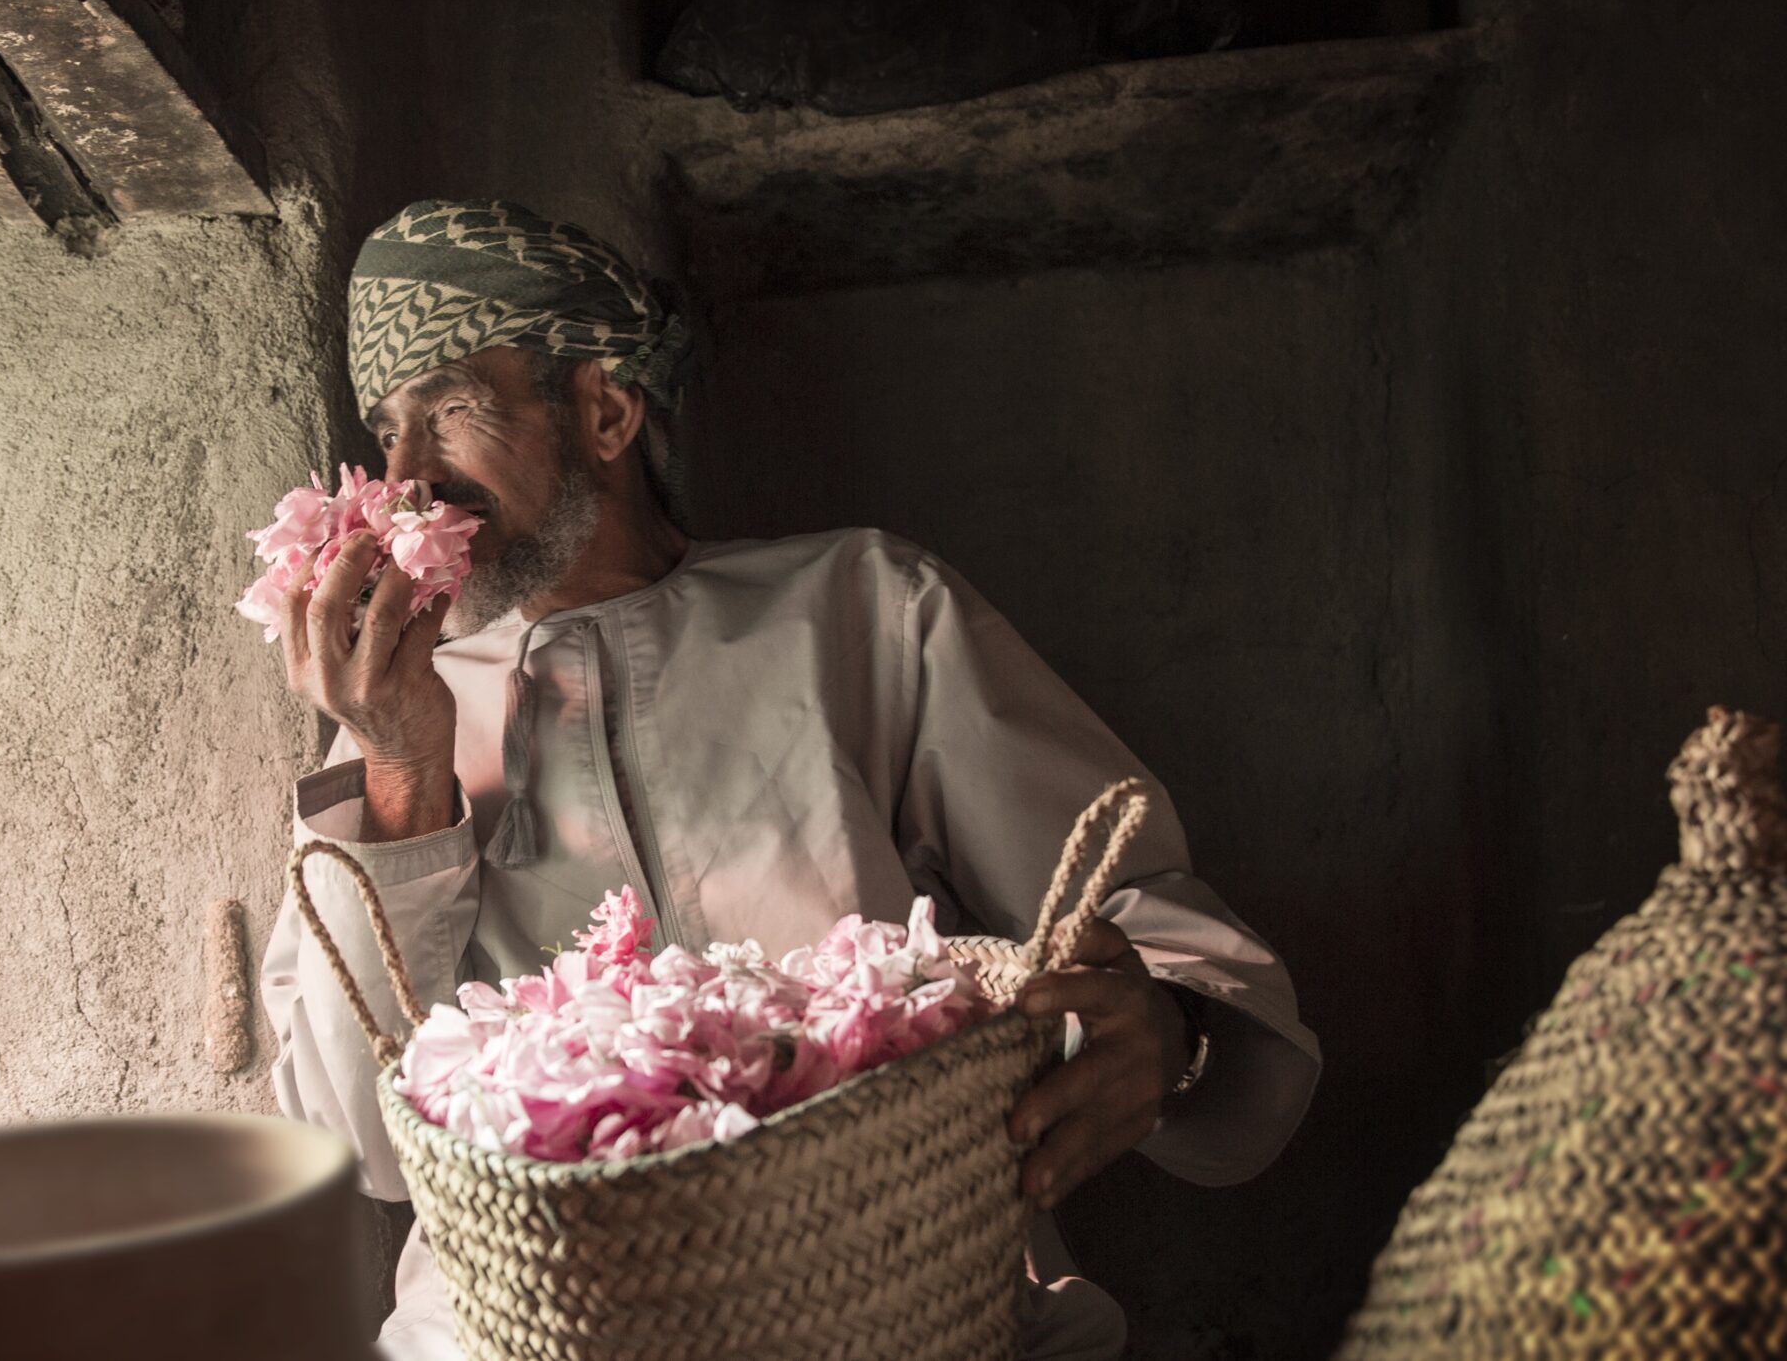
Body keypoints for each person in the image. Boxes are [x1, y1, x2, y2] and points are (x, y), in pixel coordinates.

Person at [258, 199, 1320, 1360]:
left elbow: (1138, 912)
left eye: (452, 413)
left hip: (904, 1317)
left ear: (604, 410)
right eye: (390, 431)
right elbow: (364, 1140)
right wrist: (403, 768)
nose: (406, 480)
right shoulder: (393, 708)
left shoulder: (863, 610)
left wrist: (1166, 1029)